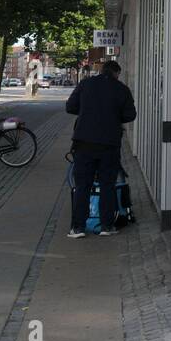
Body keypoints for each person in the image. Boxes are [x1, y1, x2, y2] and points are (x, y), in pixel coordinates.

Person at [65, 60, 136, 239]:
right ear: (116, 73)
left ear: (101, 70)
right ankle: (106, 225)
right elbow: (130, 115)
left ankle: (78, 228)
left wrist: (88, 112)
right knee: (107, 185)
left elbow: (70, 107)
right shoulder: (122, 89)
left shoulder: (85, 84)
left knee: (82, 186)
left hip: (84, 143)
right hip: (109, 144)